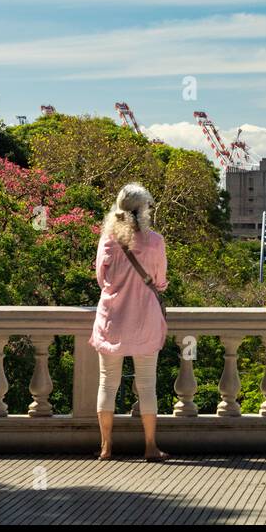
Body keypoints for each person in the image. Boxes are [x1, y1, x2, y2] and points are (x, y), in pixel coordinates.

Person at [89, 183, 169, 462]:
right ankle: (150, 446)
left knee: (107, 384)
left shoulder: (108, 240)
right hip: (145, 319)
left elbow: (101, 279)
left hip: (112, 319)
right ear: (143, 209)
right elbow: (160, 282)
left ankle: (106, 447)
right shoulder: (155, 241)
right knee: (147, 385)